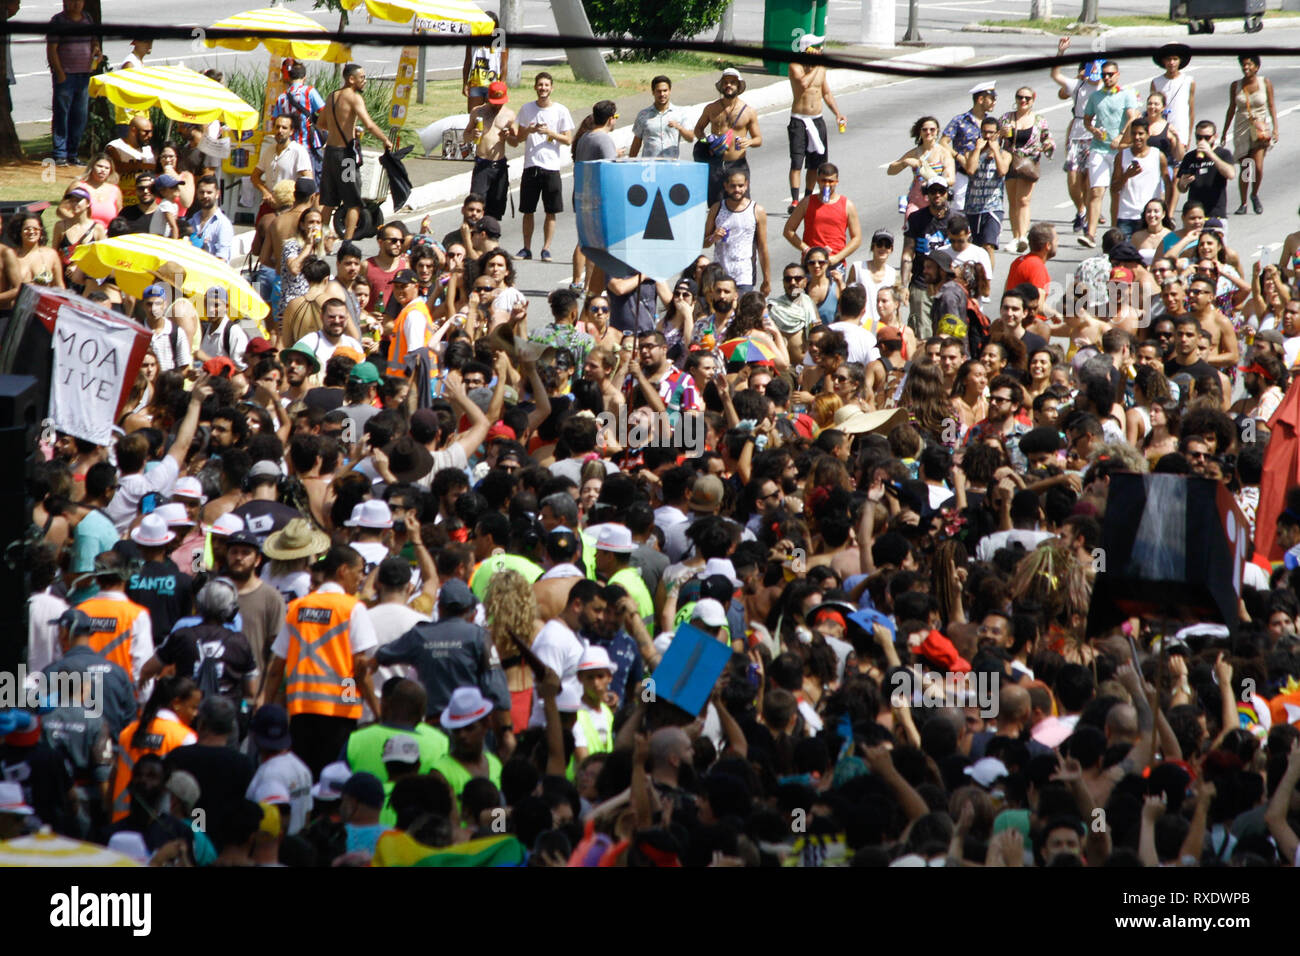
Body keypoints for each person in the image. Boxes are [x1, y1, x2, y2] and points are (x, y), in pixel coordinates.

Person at [256, 545, 380, 779]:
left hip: (301, 708)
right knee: (332, 782)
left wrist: (266, 706)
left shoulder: (297, 607)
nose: (361, 579)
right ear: (344, 571)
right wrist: (377, 711)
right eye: (359, 571)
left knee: (304, 778)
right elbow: (359, 668)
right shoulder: (352, 608)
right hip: (342, 707)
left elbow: (276, 668)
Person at [317, 63, 395, 241]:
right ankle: (348, 241)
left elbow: (320, 124)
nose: (365, 81)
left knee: (328, 201)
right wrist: (385, 140)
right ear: (351, 79)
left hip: (330, 153)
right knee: (353, 202)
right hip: (345, 156)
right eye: (362, 78)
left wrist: (342, 129)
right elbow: (369, 124)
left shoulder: (332, 96)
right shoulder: (354, 97)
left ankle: (319, 241)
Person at [513, 72, 574, 262]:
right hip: (531, 166)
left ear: (552, 88)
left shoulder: (560, 111)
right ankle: (526, 248)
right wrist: (529, 130)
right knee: (528, 210)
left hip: (551, 167)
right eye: (540, 85)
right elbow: (518, 138)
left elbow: (568, 139)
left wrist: (550, 132)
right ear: (535, 87)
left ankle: (546, 248)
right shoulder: (526, 109)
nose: (543, 89)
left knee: (551, 211)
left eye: (546, 85)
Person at [1081, 60, 1141, 248]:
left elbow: (1133, 116)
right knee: (1096, 190)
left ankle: (1115, 233)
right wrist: (1093, 130)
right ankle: (1090, 234)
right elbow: (1087, 120)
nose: (1106, 77)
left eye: (1110, 74)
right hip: (1099, 148)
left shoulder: (1125, 95)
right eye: (1104, 75)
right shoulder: (1096, 96)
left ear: (1117, 75)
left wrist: (1121, 136)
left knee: (1116, 191)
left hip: (1119, 150)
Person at [785, 35, 845, 208]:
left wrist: (837, 113)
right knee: (797, 162)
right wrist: (816, 66)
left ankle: (808, 197)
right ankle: (795, 200)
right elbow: (803, 84)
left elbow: (825, 92)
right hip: (799, 120)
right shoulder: (795, 66)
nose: (820, 50)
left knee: (816, 163)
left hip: (817, 120)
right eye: (816, 48)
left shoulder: (821, 69)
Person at [694, 68, 763, 208]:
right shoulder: (711, 108)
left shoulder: (748, 111)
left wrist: (749, 141)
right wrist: (707, 140)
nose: (729, 85)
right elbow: (698, 129)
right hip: (716, 164)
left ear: (738, 86)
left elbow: (758, 139)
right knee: (715, 206)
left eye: (732, 82)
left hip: (737, 164)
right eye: (725, 82)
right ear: (721, 86)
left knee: (741, 204)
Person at [997, 86, 1054, 254]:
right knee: (1013, 200)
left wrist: (1048, 145)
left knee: (1023, 200)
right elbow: (995, 139)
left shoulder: (1039, 120)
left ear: (1033, 101)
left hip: (1029, 162)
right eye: (1020, 97)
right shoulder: (1006, 118)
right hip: (1010, 161)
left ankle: (1023, 236)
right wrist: (1001, 134)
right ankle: (1016, 237)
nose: (1023, 101)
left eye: (1027, 98)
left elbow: (1047, 137)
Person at [1222, 53, 1277, 215]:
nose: (1246, 68)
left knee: (1258, 167)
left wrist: (1275, 128)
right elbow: (1231, 109)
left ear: (1256, 67)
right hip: (1242, 128)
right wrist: (1225, 131)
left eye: (1249, 65)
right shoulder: (1236, 85)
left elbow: (1272, 106)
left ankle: (1254, 194)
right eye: (1243, 65)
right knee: (1246, 167)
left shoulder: (1265, 83)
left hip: (1259, 129)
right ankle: (1243, 203)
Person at [784, 162, 861, 276]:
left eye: (831, 181)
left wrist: (837, 257)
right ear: (817, 180)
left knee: (834, 293)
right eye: (823, 181)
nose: (827, 185)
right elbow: (788, 230)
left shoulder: (847, 205)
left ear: (837, 182)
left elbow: (857, 238)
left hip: (835, 264)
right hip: (811, 264)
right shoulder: (807, 202)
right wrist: (806, 249)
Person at [902, 176, 954, 339]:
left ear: (947, 194)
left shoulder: (956, 220)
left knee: (948, 335)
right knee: (923, 337)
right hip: (921, 284)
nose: (937, 195)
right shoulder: (916, 219)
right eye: (933, 191)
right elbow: (907, 255)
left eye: (941, 191)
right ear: (927, 194)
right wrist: (904, 285)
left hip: (948, 287)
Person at [46, 0, 98, 167]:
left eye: (79, 1)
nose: (76, 4)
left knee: (79, 116)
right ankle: (60, 154)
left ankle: (73, 154)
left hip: (84, 75)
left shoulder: (88, 19)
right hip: (66, 75)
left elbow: (94, 41)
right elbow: (52, 49)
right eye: (72, 0)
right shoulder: (58, 21)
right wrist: (60, 73)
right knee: (62, 114)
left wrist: (97, 51)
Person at [705, 167, 770, 296]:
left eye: (740, 186)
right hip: (720, 275)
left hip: (744, 275)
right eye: (733, 186)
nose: (737, 190)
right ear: (726, 186)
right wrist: (714, 237)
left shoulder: (757, 210)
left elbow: (762, 247)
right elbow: (704, 243)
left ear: (746, 185)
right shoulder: (716, 209)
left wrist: (767, 279)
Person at [962, 117, 1011, 267]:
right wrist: (978, 149)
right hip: (973, 208)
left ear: (997, 134)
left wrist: (995, 150)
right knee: (975, 248)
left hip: (993, 208)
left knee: (988, 246)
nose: (988, 136)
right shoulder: (971, 153)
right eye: (984, 133)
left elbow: (1002, 171)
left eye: (991, 133)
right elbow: (970, 169)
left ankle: (988, 278)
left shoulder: (1004, 154)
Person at [1110, 118, 1169, 240]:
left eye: (1141, 133)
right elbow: (1114, 188)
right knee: (1124, 256)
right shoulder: (1122, 156)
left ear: (1148, 134)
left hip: (1150, 217)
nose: (1137, 137)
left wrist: (1167, 211)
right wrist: (1127, 175)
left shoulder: (1158, 156)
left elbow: (1169, 185)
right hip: (1126, 216)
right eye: (1134, 133)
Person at [465, 81, 515, 222]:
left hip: (499, 166)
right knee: (475, 207)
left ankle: (491, 239)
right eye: (495, 102)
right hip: (482, 165)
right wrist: (472, 135)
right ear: (488, 98)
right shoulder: (477, 112)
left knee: (496, 209)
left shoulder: (509, 115)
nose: (497, 105)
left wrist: (508, 137)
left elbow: (515, 142)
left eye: (500, 102)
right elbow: (465, 136)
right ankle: (473, 238)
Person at [888, 116, 955, 222]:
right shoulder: (914, 153)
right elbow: (890, 171)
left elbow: (951, 179)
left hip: (936, 200)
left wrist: (932, 180)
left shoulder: (943, 153)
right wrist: (904, 163)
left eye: (932, 129)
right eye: (924, 129)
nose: (928, 132)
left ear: (937, 131)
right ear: (920, 132)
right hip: (916, 200)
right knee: (911, 228)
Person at [251, 115, 313, 222]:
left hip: (289, 207)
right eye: (277, 127)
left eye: (284, 128)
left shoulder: (298, 151)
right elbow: (254, 176)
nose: (280, 131)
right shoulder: (269, 150)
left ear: (291, 131)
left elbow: (308, 181)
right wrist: (265, 192)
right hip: (268, 206)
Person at [1171, 121, 1236, 219]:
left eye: (1207, 138)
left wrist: (1210, 154)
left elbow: (1230, 174)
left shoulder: (1223, 154)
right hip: (1194, 215)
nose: (1203, 140)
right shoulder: (1189, 157)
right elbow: (1181, 189)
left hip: (1215, 213)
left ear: (1214, 136)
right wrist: (1183, 183)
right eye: (1199, 137)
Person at [630, 75, 693, 159]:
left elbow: (690, 138)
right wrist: (630, 162)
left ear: (670, 91)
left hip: (671, 165)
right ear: (653, 92)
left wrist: (679, 127)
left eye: (665, 91)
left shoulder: (680, 113)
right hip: (650, 166)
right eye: (658, 91)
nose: (662, 94)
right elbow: (636, 142)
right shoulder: (643, 115)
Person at [105, 114, 155, 212]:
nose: (150, 135)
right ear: (133, 130)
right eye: (146, 132)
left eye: (151, 132)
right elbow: (118, 167)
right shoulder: (114, 147)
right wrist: (144, 165)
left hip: (142, 204)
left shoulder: (148, 149)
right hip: (120, 202)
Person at [1151, 43, 1195, 146]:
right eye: (1168, 59)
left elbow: (1191, 111)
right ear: (1163, 61)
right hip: (1160, 131)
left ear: (1180, 61)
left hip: (1180, 131)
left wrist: (1188, 137)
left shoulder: (1188, 81)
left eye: (1175, 59)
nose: (1171, 63)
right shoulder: (1156, 82)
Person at [462, 13, 507, 111]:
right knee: (473, 115)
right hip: (476, 83)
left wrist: (502, 84)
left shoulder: (499, 39)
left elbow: (503, 64)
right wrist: (465, 83)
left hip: (493, 84)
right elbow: (467, 61)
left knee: (492, 115)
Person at [187, 175, 234, 262]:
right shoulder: (190, 221)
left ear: (217, 194)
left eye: (209, 192)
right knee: (176, 273)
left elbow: (222, 258)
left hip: (211, 273)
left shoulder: (223, 224)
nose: (205, 196)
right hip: (190, 271)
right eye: (201, 192)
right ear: (197, 194)